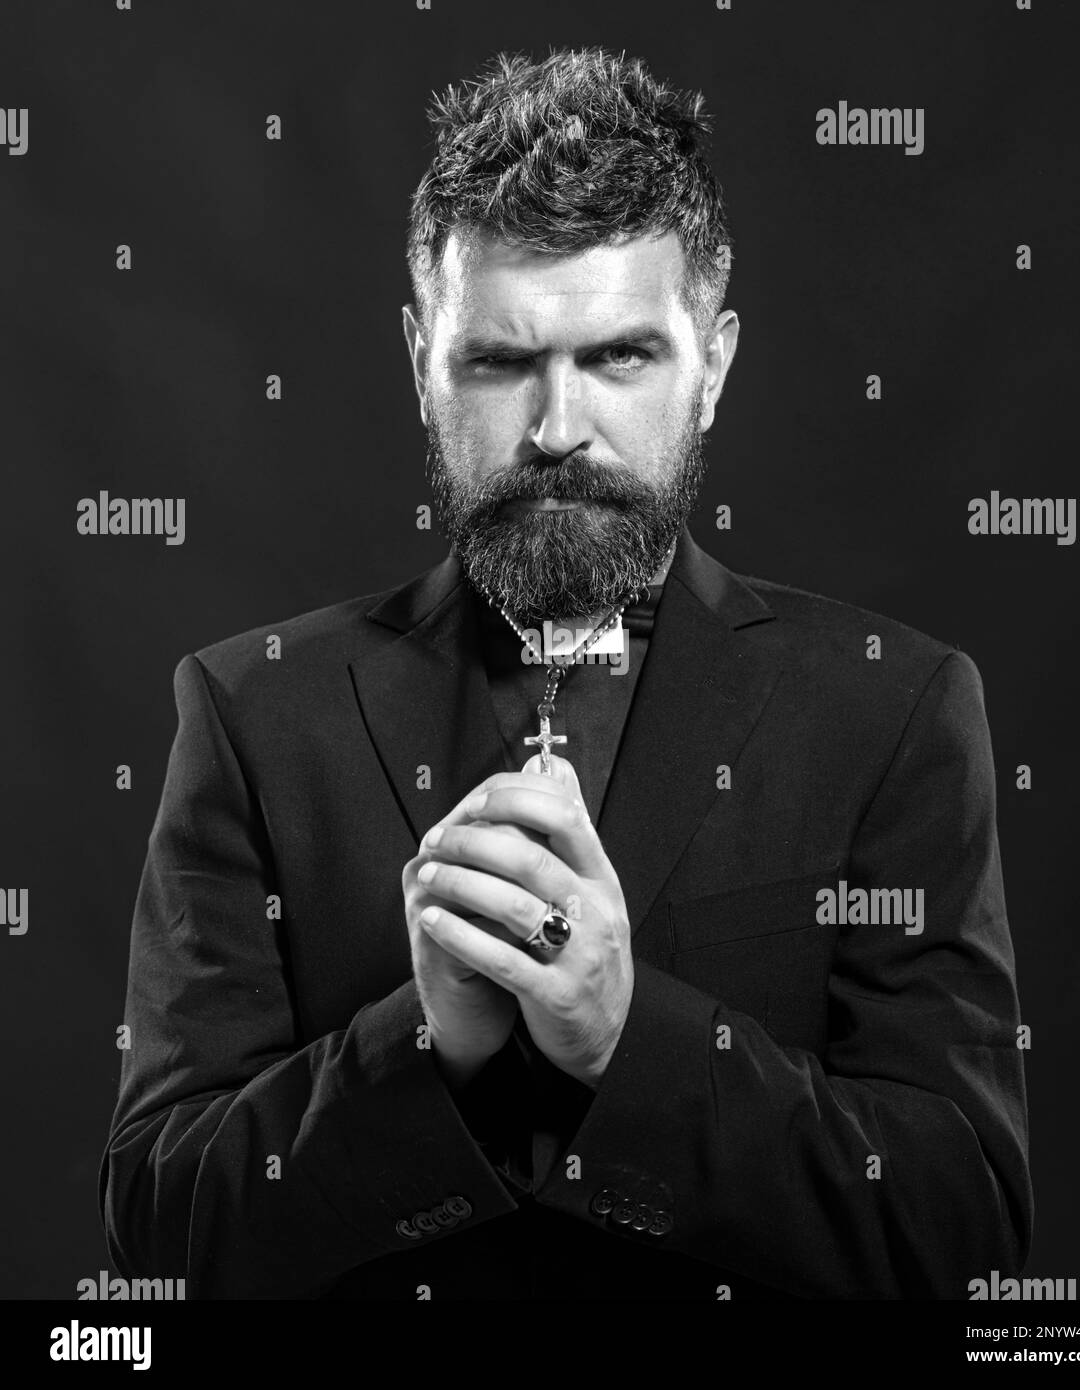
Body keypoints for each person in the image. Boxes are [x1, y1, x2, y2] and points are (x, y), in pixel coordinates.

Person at [99, 47, 1032, 1300]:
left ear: (714, 366)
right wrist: (427, 1049)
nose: (556, 429)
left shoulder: (893, 708)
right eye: (499, 363)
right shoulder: (250, 711)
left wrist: (621, 1037)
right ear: (418, 362)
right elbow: (163, 1238)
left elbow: (957, 1229)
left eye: (619, 357)